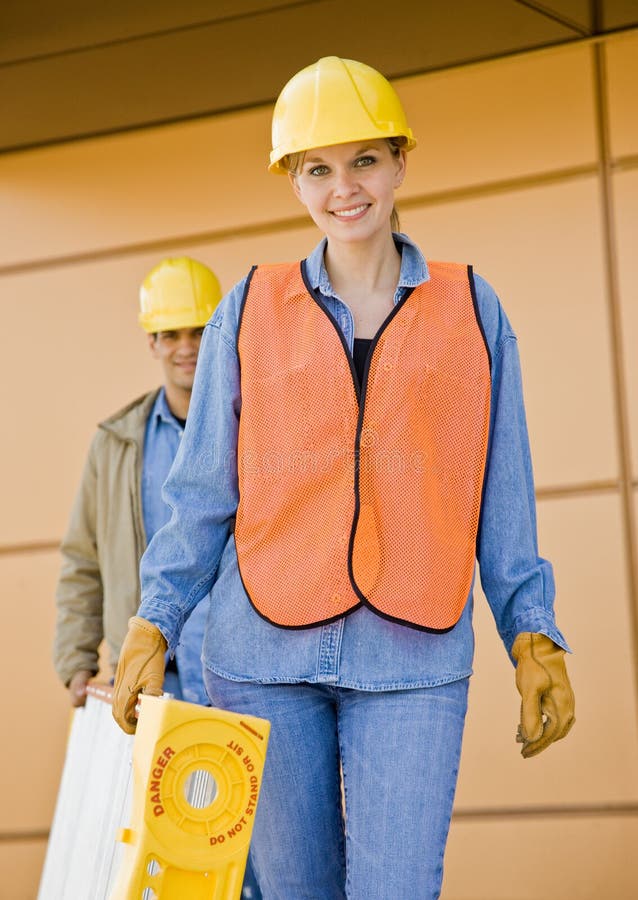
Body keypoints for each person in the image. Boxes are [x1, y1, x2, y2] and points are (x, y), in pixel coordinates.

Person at [112, 57, 575, 899]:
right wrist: (154, 624)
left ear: (402, 162)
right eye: (317, 168)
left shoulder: (473, 309)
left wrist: (532, 635)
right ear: (293, 181)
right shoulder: (247, 307)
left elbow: (499, 487)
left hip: (414, 653)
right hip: (261, 657)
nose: (344, 188)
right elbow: (201, 493)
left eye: (364, 160)